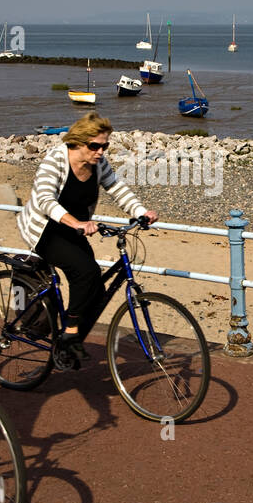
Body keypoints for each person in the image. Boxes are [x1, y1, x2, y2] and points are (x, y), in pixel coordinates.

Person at [16, 112, 157, 359]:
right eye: (95, 146)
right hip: (45, 229)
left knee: (95, 288)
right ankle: (69, 333)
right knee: (86, 272)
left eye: (105, 145)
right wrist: (76, 223)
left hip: (75, 227)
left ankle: (67, 338)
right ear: (78, 142)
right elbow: (45, 200)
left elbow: (116, 188)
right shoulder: (56, 161)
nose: (101, 151)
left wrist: (141, 212)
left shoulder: (98, 164)